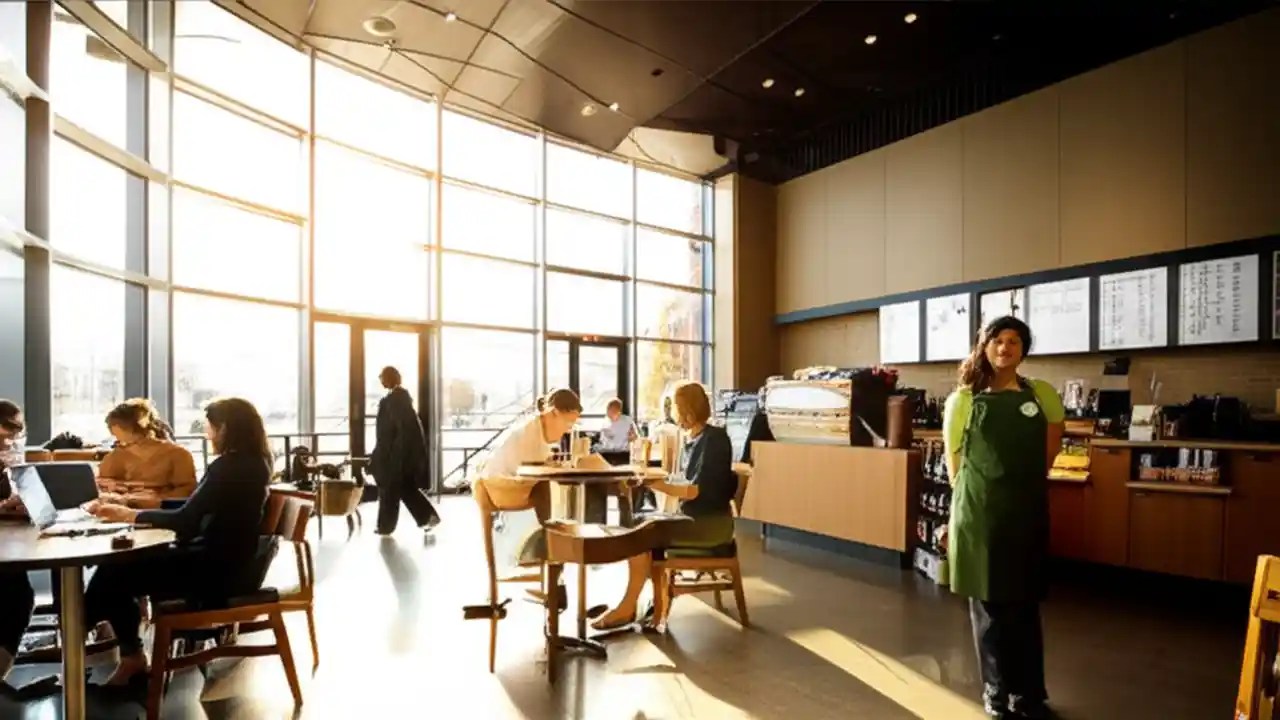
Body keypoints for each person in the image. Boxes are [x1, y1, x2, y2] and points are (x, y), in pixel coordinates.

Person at [82, 397, 274, 687]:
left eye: (210, 427)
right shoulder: (251, 464)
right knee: (115, 572)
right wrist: (139, 510)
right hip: (230, 561)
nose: (207, 434)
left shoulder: (229, 466)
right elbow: (195, 507)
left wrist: (130, 514)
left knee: (113, 573)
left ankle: (85, 637)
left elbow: (187, 520)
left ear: (225, 428)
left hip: (215, 571)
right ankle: (106, 644)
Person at [943, 316, 1064, 720]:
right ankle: (996, 692)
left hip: (1025, 512)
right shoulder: (963, 400)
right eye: (997, 340)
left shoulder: (1042, 394)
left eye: (1014, 341)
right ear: (984, 346)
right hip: (980, 516)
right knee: (990, 611)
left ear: (1023, 350)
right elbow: (955, 467)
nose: (1005, 348)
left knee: (1026, 608)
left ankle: (1029, 693)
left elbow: (1049, 451)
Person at [592, 381, 738, 631]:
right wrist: (654, 481)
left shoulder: (715, 440)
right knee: (640, 522)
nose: (673, 414)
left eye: (676, 408)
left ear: (689, 409)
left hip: (710, 525)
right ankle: (644, 602)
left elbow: (694, 491)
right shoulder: (692, 438)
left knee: (643, 529)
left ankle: (631, 606)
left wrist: (656, 485)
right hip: (692, 518)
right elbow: (683, 482)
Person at [478, 388, 582, 571]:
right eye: (568, 423)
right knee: (545, 489)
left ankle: (554, 548)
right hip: (499, 487)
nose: (568, 430)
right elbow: (532, 470)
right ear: (554, 413)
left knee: (551, 493)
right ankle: (554, 549)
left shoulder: (536, 430)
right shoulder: (529, 433)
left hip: (506, 483)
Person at [0, 400, 51, 696]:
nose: (12, 439)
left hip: (9, 549)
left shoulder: (12, 461)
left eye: (18, 431)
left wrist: (25, 503)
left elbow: (44, 511)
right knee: (16, 598)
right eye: (9, 431)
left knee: (19, 597)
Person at [370, 366, 440, 536]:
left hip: (396, 455)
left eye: (382, 377)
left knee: (391, 490)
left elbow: (393, 431)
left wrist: (389, 455)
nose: (381, 380)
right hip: (402, 454)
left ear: (389, 378)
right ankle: (426, 517)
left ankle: (386, 526)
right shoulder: (401, 399)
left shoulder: (394, 400)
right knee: (403, 489)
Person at [96, 398, 197, 509]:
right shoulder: (113, 458)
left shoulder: (178, 455)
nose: (120, 444)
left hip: (162, 512)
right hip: (121, 511)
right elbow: (103, 489)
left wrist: (155, 500)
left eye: (128, 440)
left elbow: (187, 491)